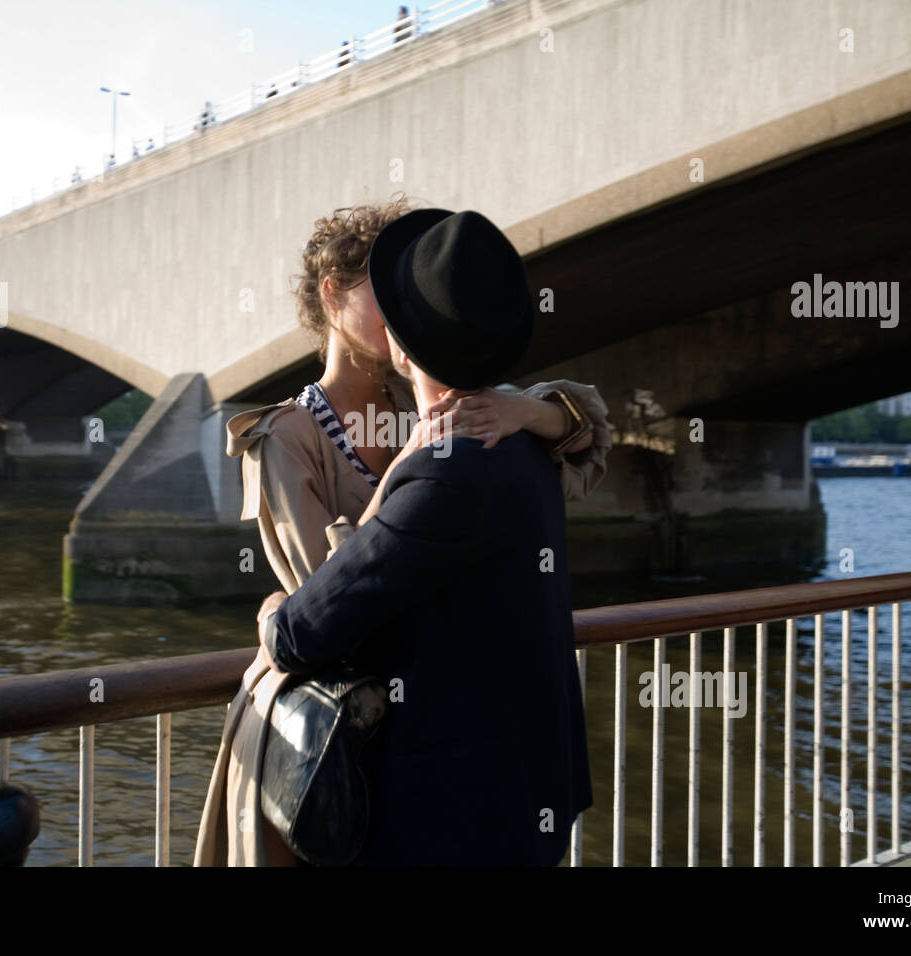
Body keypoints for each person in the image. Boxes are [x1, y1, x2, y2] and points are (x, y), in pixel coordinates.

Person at [193, 196, 610, 866]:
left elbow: (310, 624)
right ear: (331, 296)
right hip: (521, 792)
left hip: (441, 810)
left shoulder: (465, 444)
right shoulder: (505, 441)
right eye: (382, 289)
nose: (391, 307)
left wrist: (274, 611)